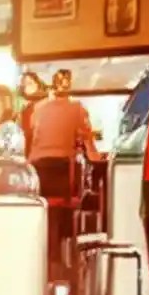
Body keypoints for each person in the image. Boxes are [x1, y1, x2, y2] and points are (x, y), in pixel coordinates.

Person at [28, 68, 97, 200]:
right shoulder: (77, 108)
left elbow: (33, 134)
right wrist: (97, 159)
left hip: (36, 169)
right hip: (63, 170)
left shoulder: (38, 108)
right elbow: (88, 141)